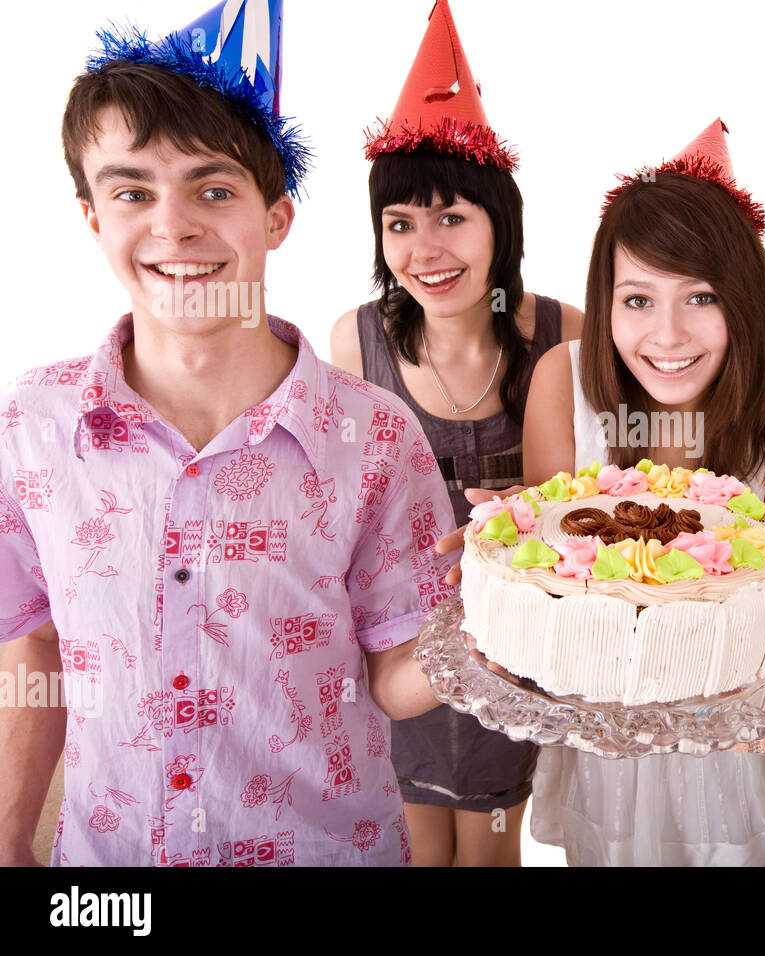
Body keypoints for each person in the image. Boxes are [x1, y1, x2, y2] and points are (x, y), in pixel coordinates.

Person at [0, 0, 451, 868]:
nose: (173, 226)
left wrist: (512, 623)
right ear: (94, 217)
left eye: (213, 188)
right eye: (132, 191)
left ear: (275, 218)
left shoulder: (374, 436)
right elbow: (32, 644)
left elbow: (398, 679)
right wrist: (12, 839)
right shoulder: (30, 426)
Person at [520, 120, 765, 865]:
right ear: (606, 300)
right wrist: (506, 534)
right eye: (636, 300)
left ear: (745, 300)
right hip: (604, 727)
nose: (667, 334)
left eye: (701, 297)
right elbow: (540, 574)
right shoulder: (561, 382)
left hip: (735, 726)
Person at [330, 0, 581, 867]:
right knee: (410, 845)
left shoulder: (564, 335)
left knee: (490, 847)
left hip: (514, 641)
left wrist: (536, 511)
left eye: (451, 218)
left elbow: (604, 495)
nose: (424, 249)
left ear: (498, 225)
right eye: (399, 223)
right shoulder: (354, 341)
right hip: (400, 643)